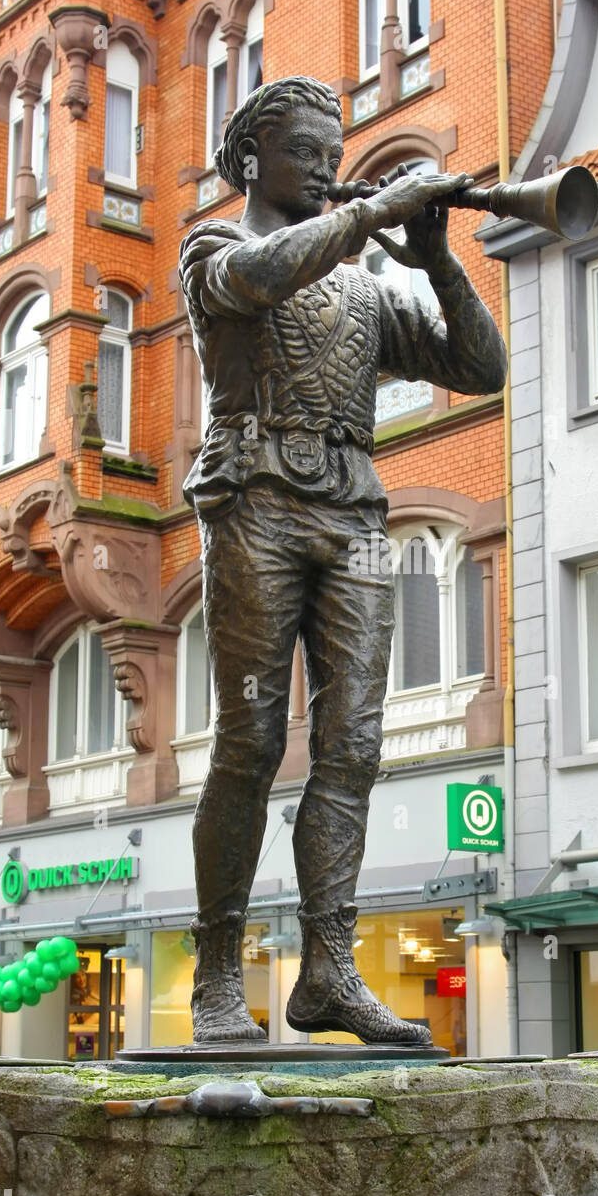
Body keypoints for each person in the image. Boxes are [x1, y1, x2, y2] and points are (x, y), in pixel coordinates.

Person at [178, 76, 506, 1044]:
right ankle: (214, 977)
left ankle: (327, 970)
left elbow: (480, 368)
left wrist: (439, 258)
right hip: (255, 501)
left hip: (357, 515)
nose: (326, 164)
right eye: (307, 150)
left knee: (355, 748)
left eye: (334, 150)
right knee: (247, 744)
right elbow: (265, 275)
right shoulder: (216, 247)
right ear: (251, 160)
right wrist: (370, 210)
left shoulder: (360, 284)